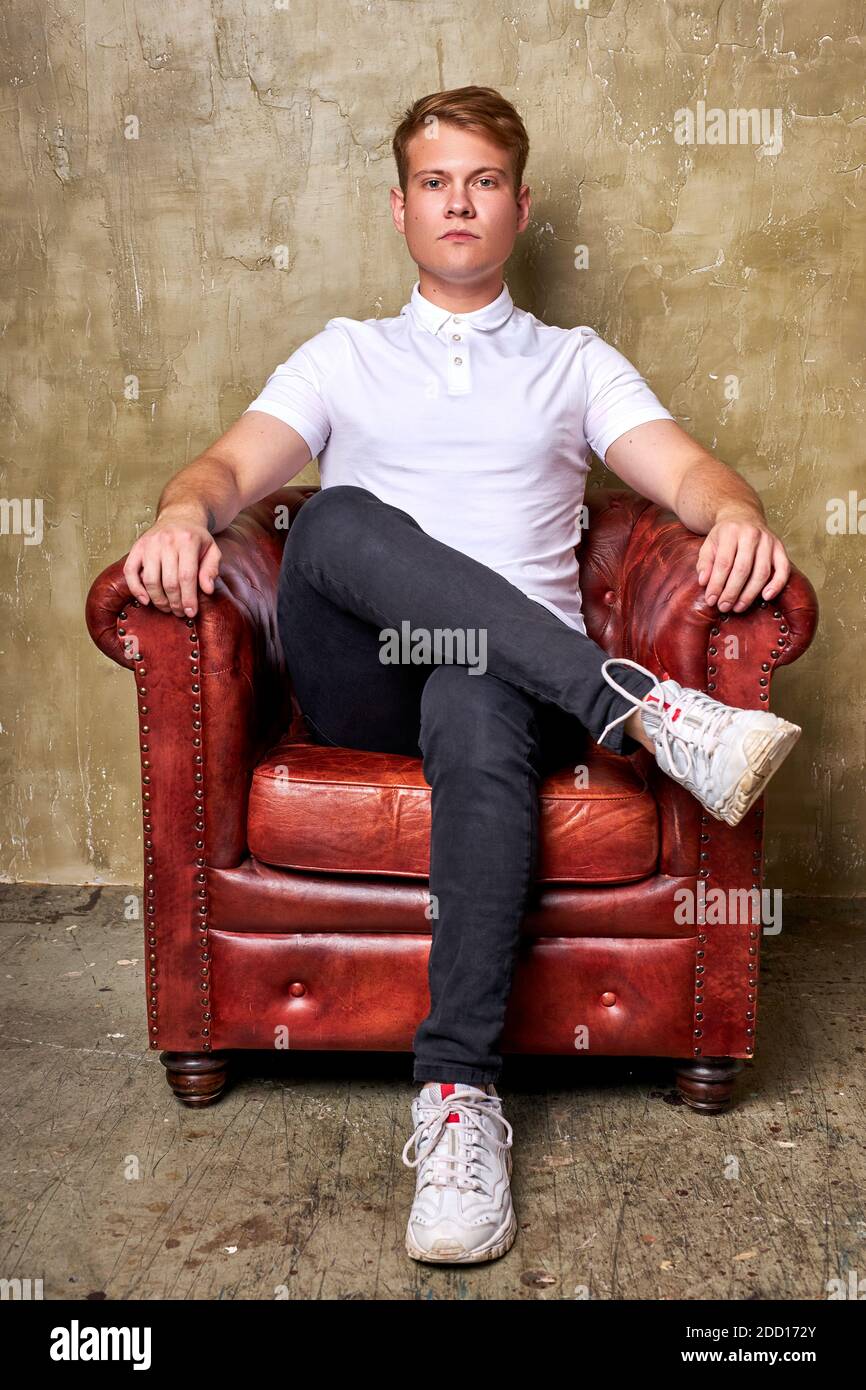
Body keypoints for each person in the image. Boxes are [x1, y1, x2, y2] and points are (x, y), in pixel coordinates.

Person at [122, 85, 802, 1267]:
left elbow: (691, 477)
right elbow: (229, 471)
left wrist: (735, 515)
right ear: (399, 207)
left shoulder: (572, 363)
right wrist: (183, 512)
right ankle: (639, 708)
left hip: (508, 700)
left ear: (518, 206)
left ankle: (454, 1103)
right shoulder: (343, 354)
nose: (458, 202)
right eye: (435, 182)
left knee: (476, 686)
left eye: (482, 181)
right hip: (362, 683)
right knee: (331, 521)